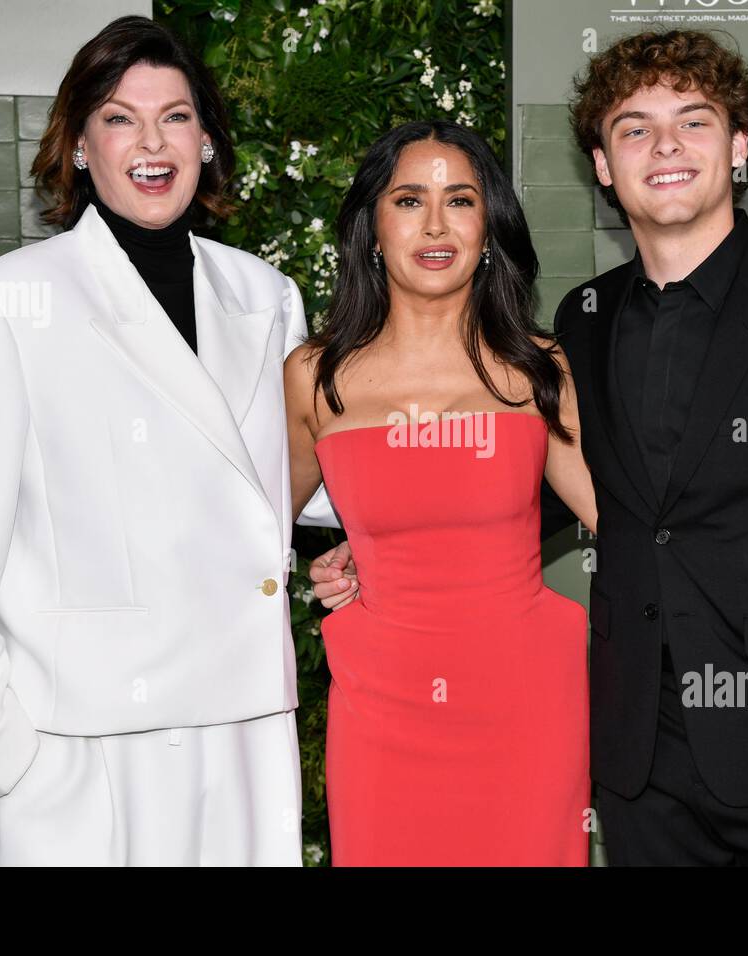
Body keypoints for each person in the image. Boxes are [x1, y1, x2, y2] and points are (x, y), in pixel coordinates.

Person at [313, 30, 748, 866]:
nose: (665, 146)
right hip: (635, 772)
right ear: (604, 165)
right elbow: (585, 501)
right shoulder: (581, 325)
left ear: (740, 146)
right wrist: (391, 547)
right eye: (635, 128)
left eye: (694, 121)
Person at [0, 15, 334, 866]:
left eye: (175, 115)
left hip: (245, 730)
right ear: (81, 146)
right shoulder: (8, 302)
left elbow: (283, 484)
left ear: (206, 140)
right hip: (90, 750)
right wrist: (19, 763)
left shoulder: (266, 295)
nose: (152, 141)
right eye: (120, 117)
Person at [285, 120, 597, 865]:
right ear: (372, 227)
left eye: (459, 199)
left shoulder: (536, 368)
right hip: (381, 712)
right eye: (407, 200)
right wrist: (323, 566)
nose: (434, 223)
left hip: (526, 708)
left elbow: (625, 519)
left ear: (489, 227)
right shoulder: (316, 377)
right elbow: (253, 528)